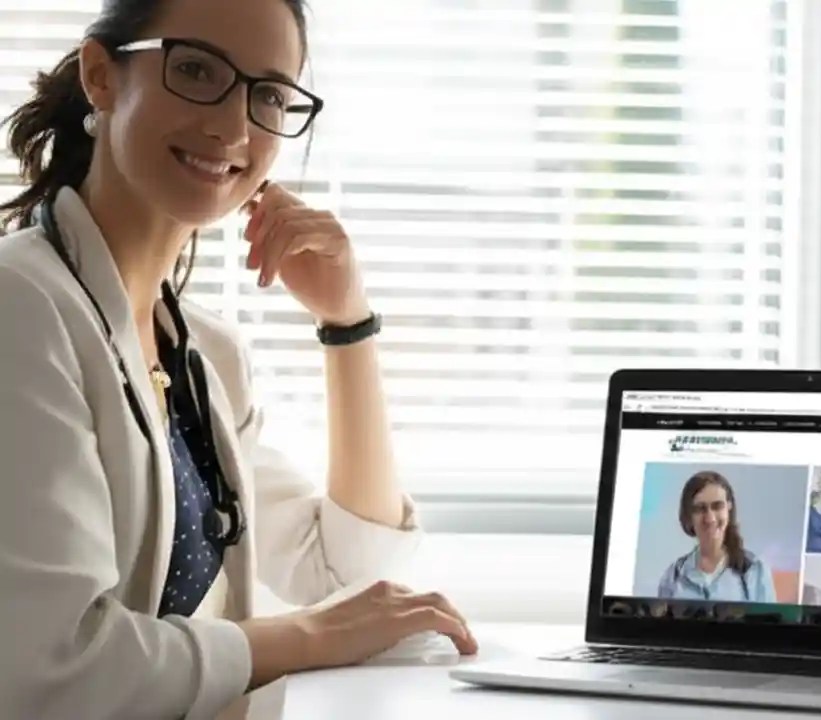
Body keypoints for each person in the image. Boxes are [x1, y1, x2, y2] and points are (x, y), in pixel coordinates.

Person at [0, 1, 477, 718]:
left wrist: (348, 324)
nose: (234, 126)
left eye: (270, 95)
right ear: (102, 76)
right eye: (196, 69)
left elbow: (348, 572)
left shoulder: (204, 354)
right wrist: (306, 636)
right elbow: (53, 670)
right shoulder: (22, 307)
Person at [656, 470, 776, 602]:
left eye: (717, 506)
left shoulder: (754, 570)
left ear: (729, 509)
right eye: (700, 509)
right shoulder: (673, 576)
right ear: (688, 515)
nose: (710, 518)